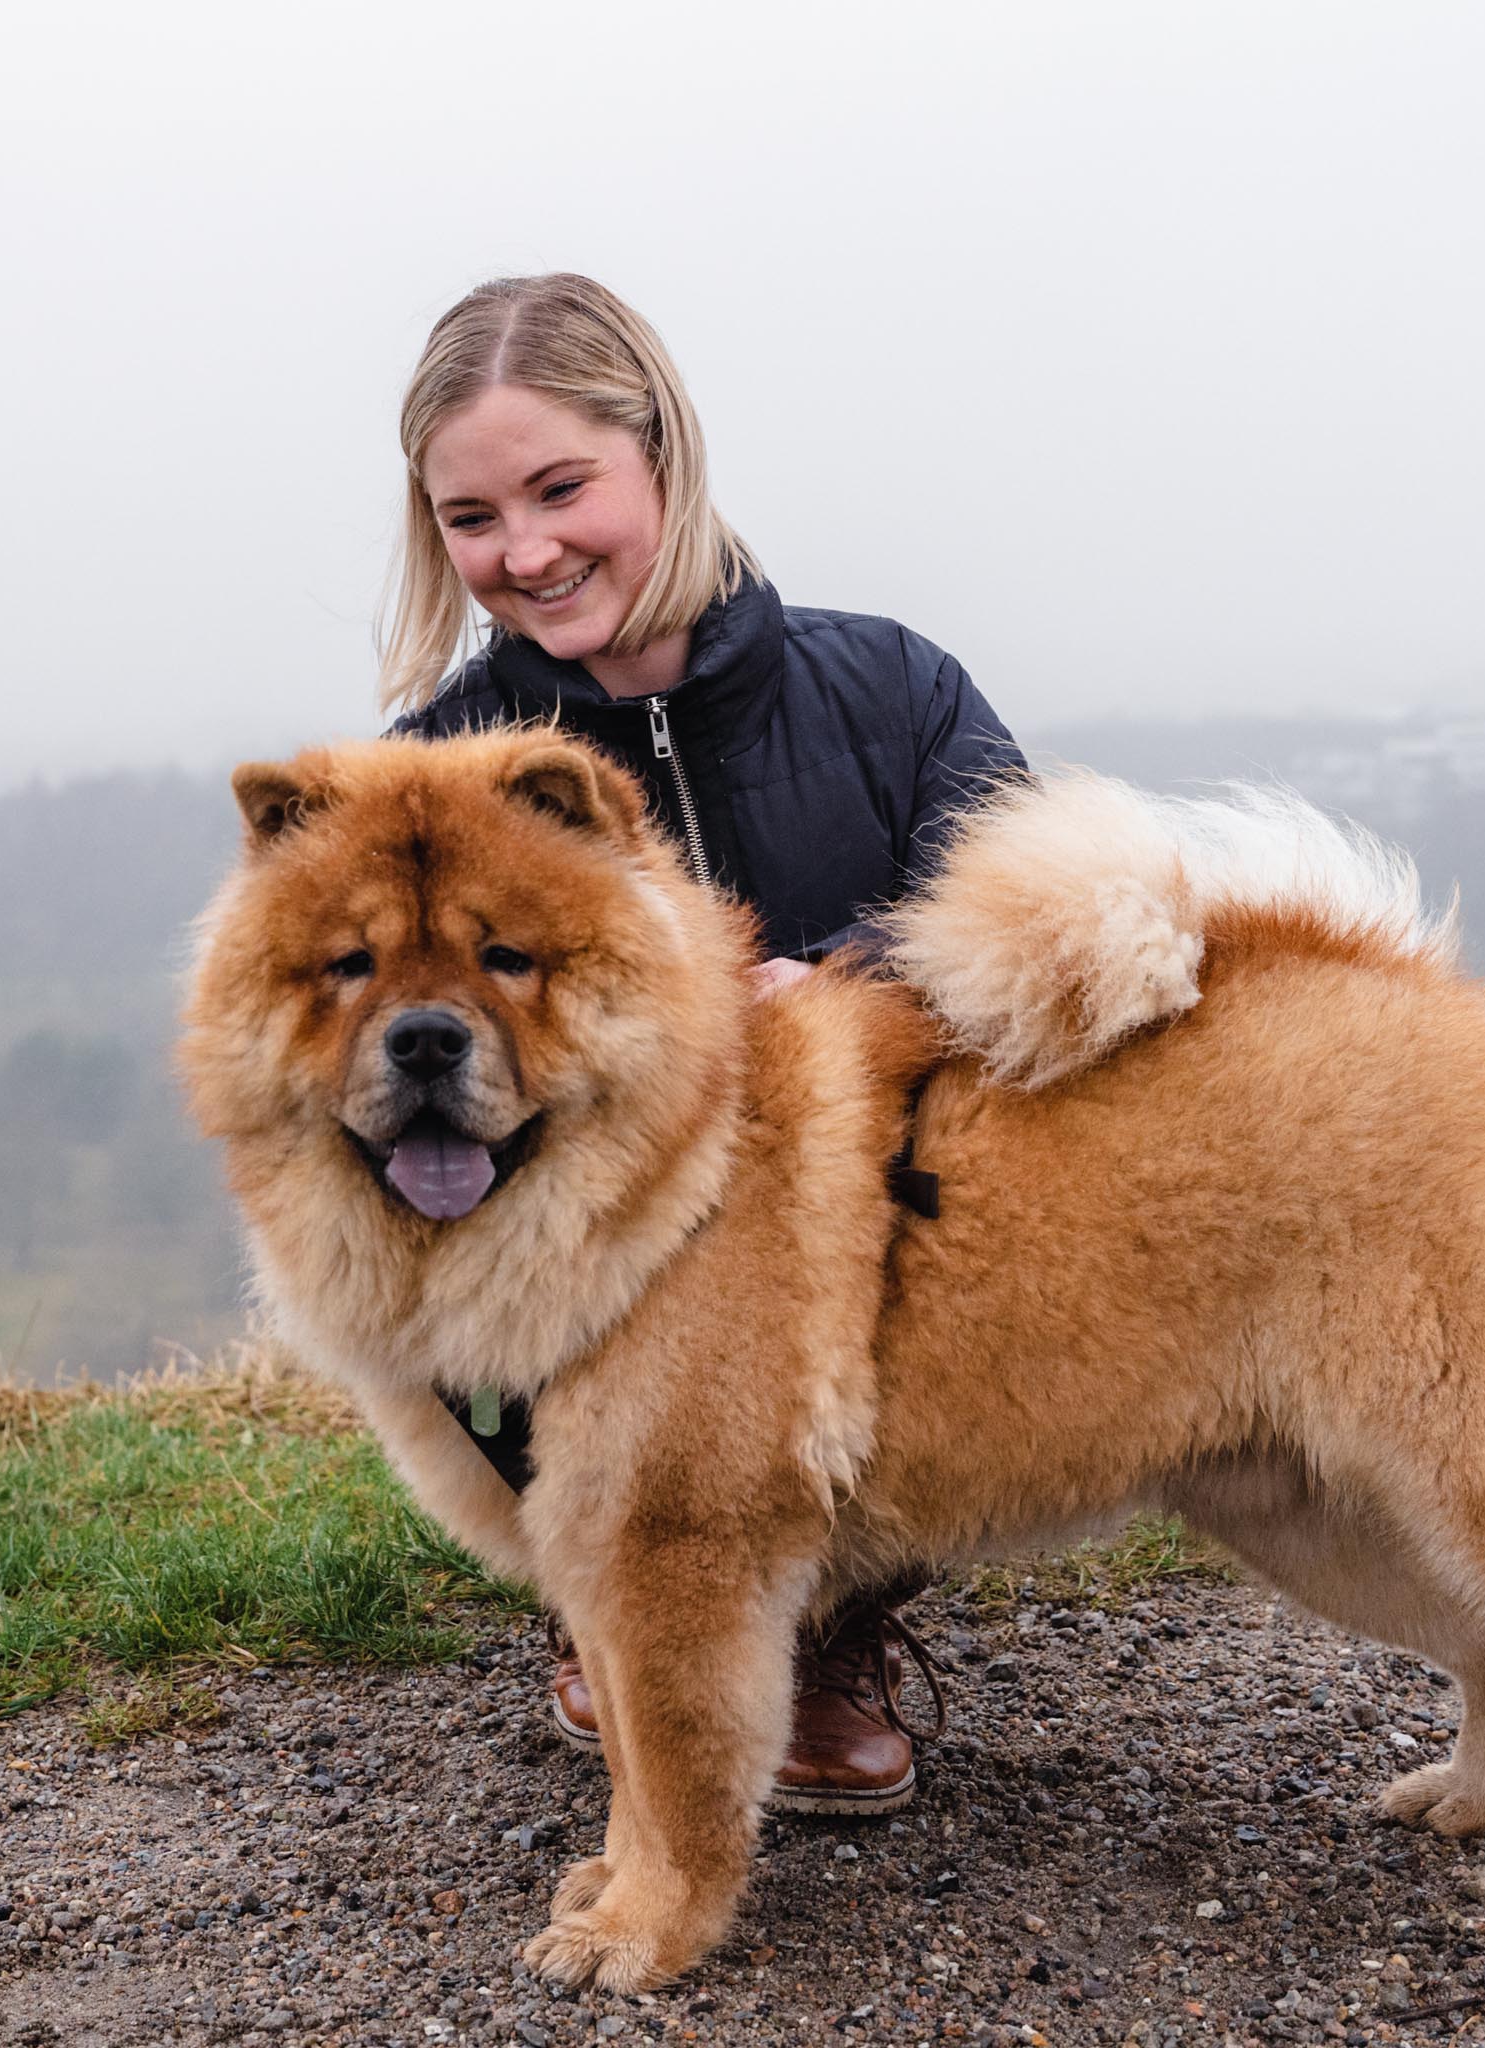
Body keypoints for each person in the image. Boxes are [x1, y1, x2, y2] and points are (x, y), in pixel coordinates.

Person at [377, 273, 1022, 1814]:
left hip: (885, 1244)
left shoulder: (896, 689)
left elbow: (1037, 933)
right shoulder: (432, 772)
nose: (523, 553)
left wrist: (846, 988)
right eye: (471, 519)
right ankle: (619, 1595)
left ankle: (837, 1624)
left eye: (560, 488)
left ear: (660, 448)